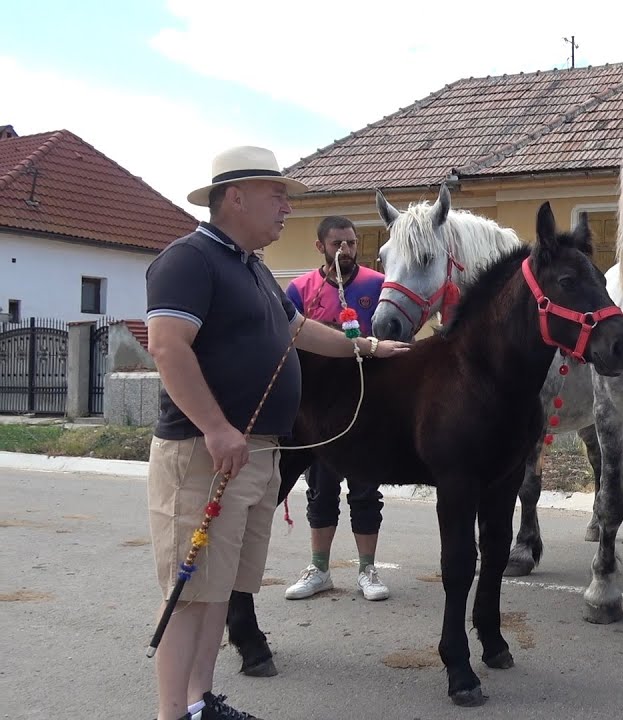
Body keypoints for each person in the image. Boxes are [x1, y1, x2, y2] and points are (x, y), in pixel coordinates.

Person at [145, 145, 411, 720]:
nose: (288, 207)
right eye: (277, 195)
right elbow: (167, 347)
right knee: (189, 594)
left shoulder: (254, 269)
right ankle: (173, 713)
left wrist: (364, 346)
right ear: (235, 197)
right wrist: (216, 429)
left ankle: (199, 701)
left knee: (220, 590)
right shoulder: (188, 260)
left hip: (255, 454)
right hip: (203, 454)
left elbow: (303, 333)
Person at [282, 216, 391, 601]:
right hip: (321, 410)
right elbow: (288, 344)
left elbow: (394, 334)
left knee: (365, 491)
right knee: (320, 490)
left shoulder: (377, 286)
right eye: (337, 244)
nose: (345, 250)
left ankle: (368, 570)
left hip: (366, 405)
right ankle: (320, 569)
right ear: (320, 247)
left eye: (351, 243)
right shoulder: (299, 290)